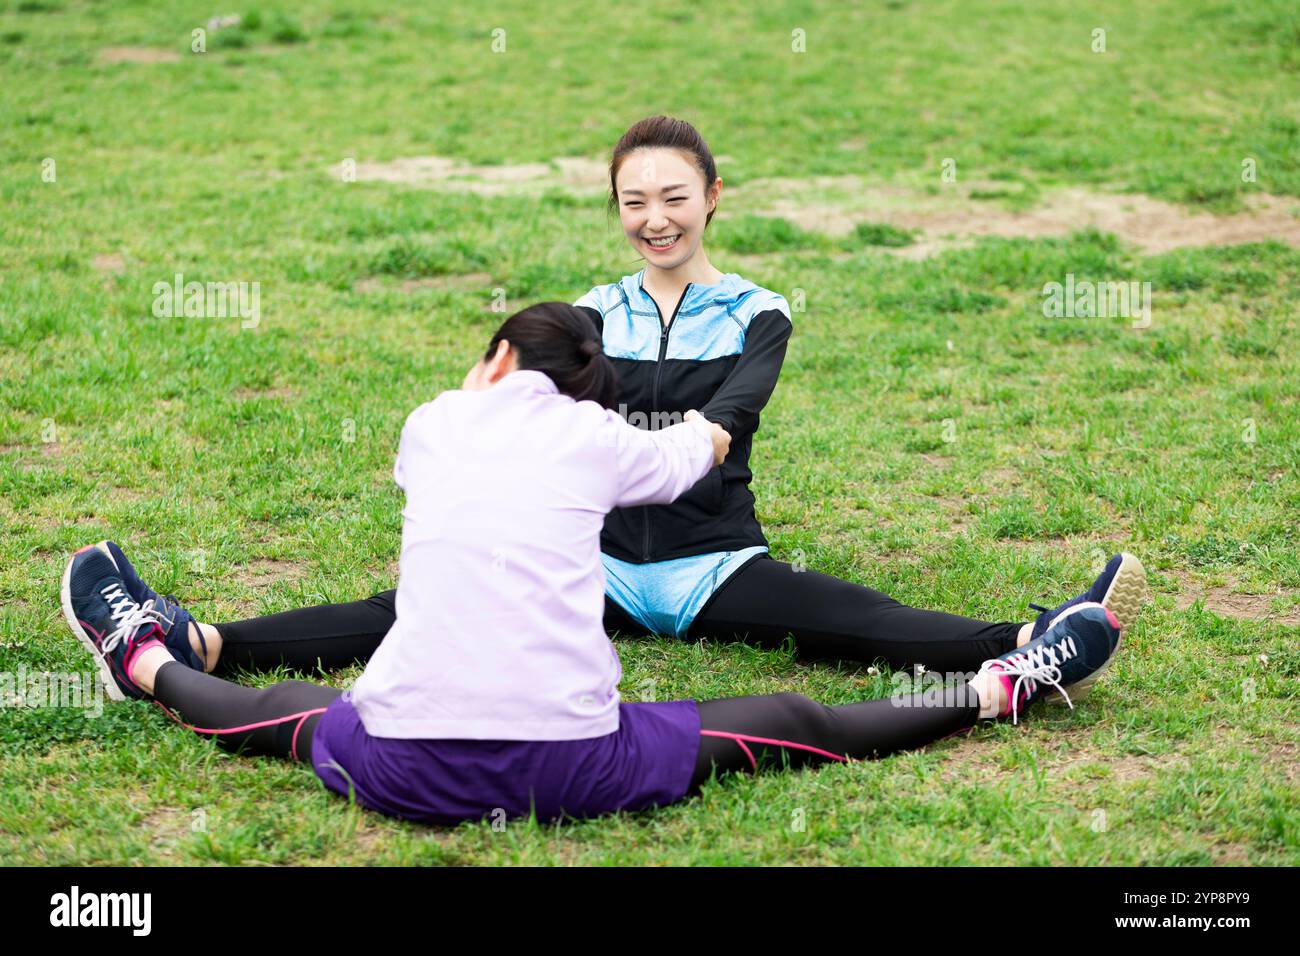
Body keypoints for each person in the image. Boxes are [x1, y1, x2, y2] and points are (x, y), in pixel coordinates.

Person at [71, 114, 1150, 703]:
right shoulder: (590, 313)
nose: (654, 217)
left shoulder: (759, 309)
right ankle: (202, 640)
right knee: (410, 603)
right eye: (634, 201)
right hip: (589, 560)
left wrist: (642, 439)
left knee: (851, 621)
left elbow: (728, 418)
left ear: (712, 197)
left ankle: (1032, 640)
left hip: (712, 557)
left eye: (674, 197)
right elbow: (535, 424)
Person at [62, 303, 1125, 825]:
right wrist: (737, 397)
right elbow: (696, 455)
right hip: (577, 768)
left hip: (403, 769)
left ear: (495, 359)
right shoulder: (598, 437)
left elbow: (455, 464)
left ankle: (141, 653)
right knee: (794, 724)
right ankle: (1005, 684)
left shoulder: (433, 419)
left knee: (288, 714)